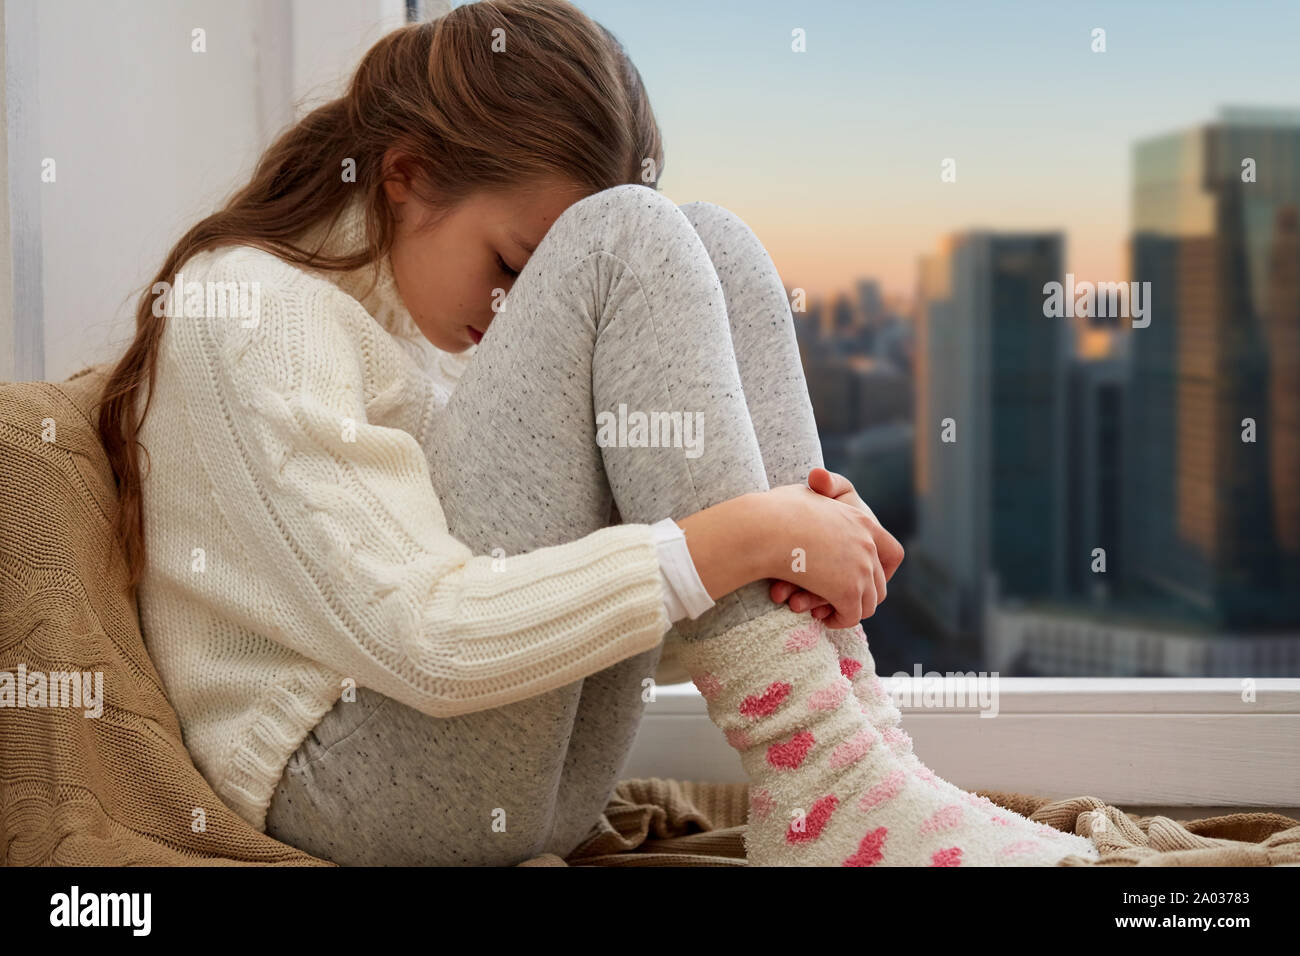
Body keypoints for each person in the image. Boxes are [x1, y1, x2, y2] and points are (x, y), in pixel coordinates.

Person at [96, 0, 1098, 866]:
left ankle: (844, 752)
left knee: (715, 244)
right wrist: (738, 535)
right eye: (514, 260)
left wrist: (773, 550)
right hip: (341, 788)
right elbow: (429, 644)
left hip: (529, 783)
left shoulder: (433, 315)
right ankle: (829, 788)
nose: (528, 306)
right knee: (629, 242)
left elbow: (575, 615)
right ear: (404, 174)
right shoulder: (251, 310)